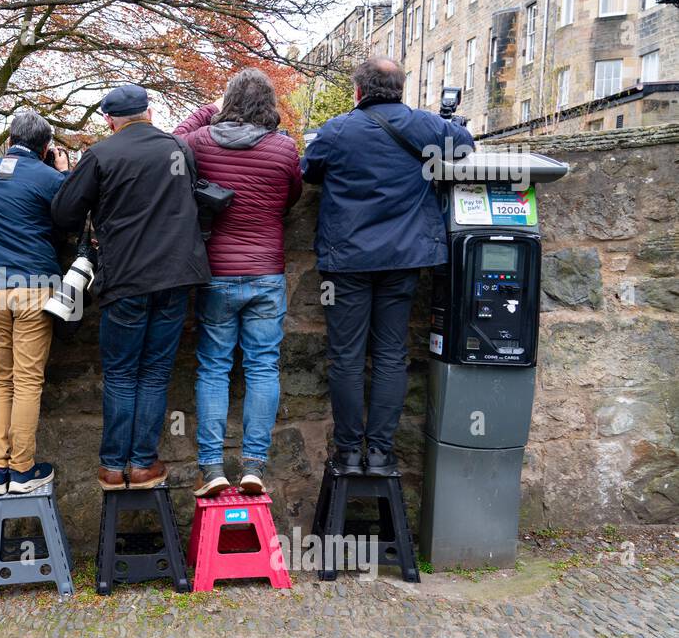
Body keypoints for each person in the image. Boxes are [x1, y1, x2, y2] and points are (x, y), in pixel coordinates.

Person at [301, 56, 474, 475]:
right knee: (391, 355)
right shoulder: (426, 126)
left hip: (348, 260)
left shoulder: (338, 129)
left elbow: (309, 171)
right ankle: (379, 451)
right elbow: (466, 145)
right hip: (404, 257)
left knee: (346, 356)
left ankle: (347, 451)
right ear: (400, 89)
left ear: (358, 91)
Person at [52, 83, 209, 490]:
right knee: (155, 373)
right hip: (175, 276)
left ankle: (112, 466)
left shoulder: (101, 154)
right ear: (149, 112)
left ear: (110, 119)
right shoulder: (178, 149)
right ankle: (142, 464)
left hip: (125, 277)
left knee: (121, 373)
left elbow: (65, 213)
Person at [174, 69, 301, 497]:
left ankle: (211, 468)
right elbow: (293, 196)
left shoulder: (200, 142)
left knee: (213, 367)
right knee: (262, 366)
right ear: (269, 104)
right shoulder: (284, 148)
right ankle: (253, 465)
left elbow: (172, 143)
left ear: (227, 101)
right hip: (266, 272)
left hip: (217, 274)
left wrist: (208, 109)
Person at [0, 111, 69, 496]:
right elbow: (69, 216)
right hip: (34, 285)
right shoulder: (49, 178)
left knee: (3, 379)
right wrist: (63, 173)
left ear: (9, 139)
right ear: (46, 147)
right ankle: (23, 470)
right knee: (29, 379)